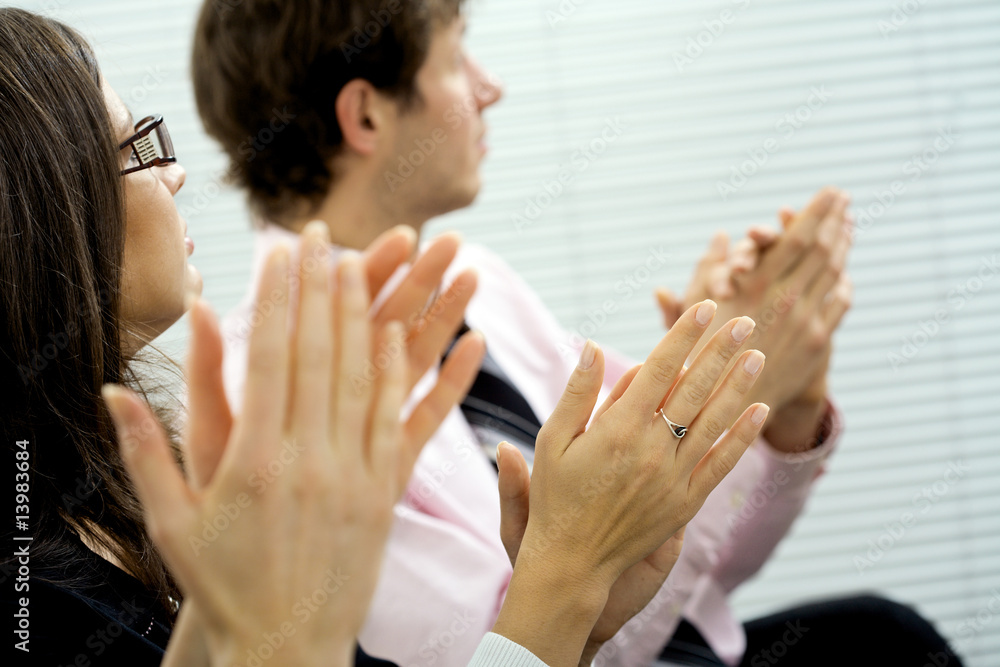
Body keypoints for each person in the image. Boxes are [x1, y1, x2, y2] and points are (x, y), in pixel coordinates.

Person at [191, 1, 965, 666]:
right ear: (366, 114)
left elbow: (704, 575)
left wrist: (768, 398)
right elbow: (544, 646)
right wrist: (711, 409)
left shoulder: (479, 282)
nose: (492, 87)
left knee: (880, 635)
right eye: (458, 58)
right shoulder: (267, 398)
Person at [0, 8, 774, 667]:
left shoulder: (475, 283)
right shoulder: (257, 415)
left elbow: (655, 542)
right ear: (43, 222)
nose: (173, 176)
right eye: (138, 146)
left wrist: (764, 399)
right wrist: (571, 573)